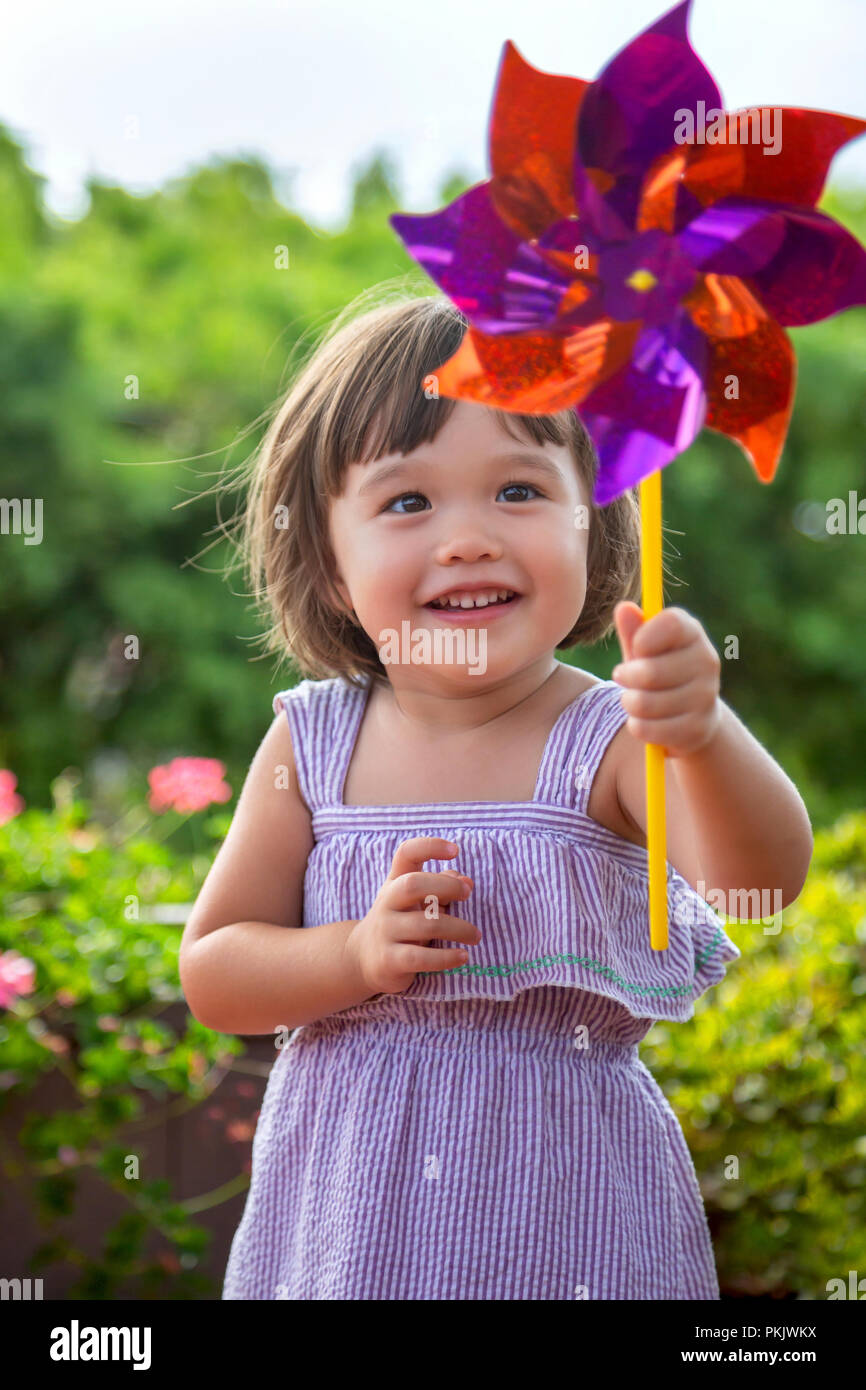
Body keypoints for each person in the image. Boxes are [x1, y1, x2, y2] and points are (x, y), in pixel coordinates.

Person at [179, 289, 813, 1300]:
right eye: (406, 501)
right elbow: (213, 970)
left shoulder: (609, 739)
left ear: (593, 517)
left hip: (572, 1220)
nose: (467, 537)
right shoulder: (314, 739)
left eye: (518, 491)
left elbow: (756, 885)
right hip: (349, 1225)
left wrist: (699, 738)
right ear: (332, 566)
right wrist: (351, 953)